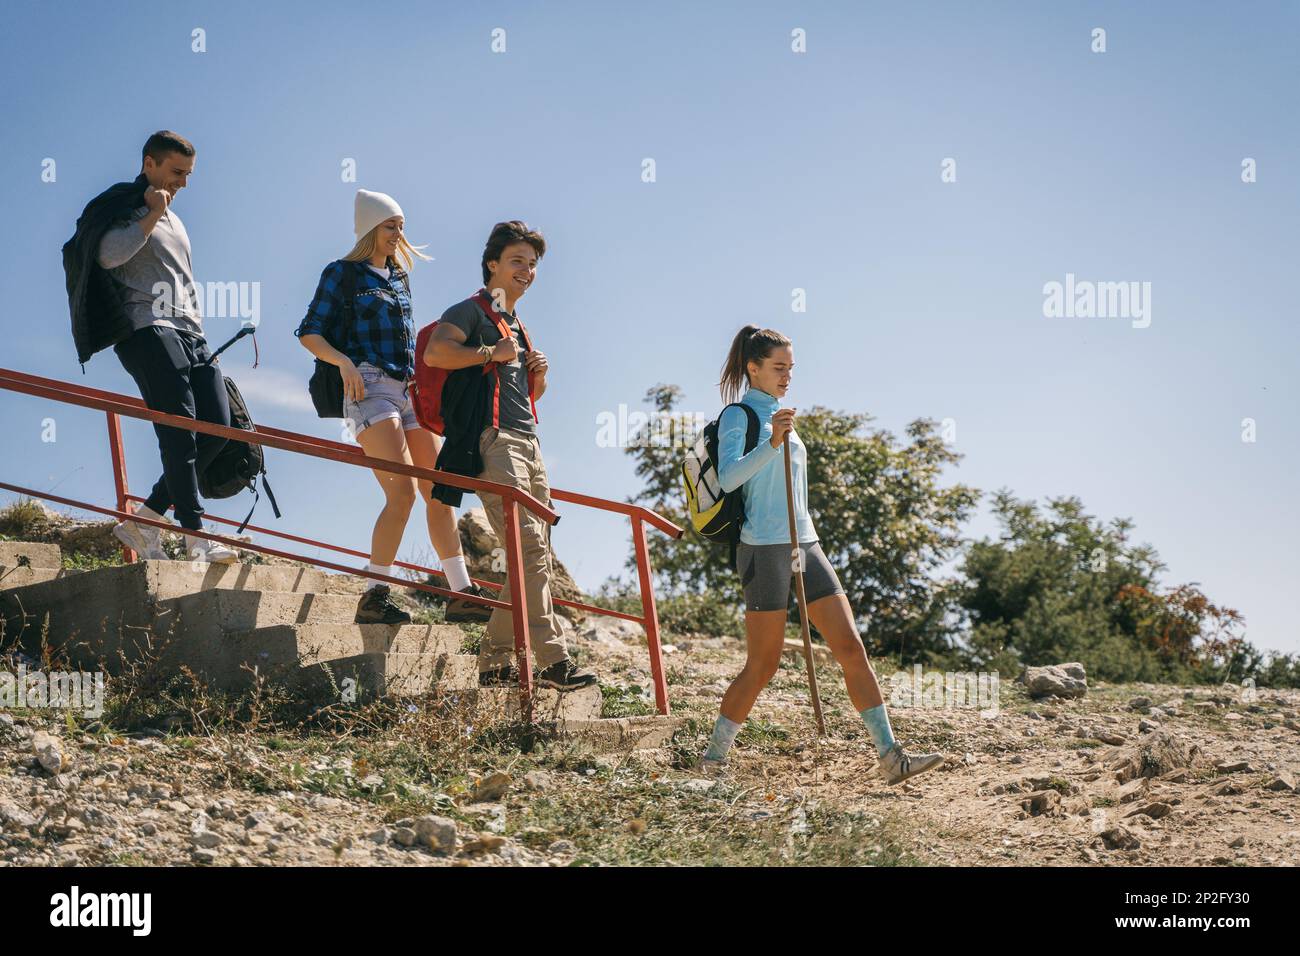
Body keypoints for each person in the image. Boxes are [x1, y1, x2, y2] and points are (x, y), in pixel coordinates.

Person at [698, 326, 945, 785]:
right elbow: (730, 478)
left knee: (851, 646)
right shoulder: (740, 416)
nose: (787, 376)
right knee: (763, 665)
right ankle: (713, 763)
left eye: (791, 368)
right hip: (763, 549)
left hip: (805, 544)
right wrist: (771, 441)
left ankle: (892, 758)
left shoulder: (783, 415)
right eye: (778, 367)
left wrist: (781, 437)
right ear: (754, 368)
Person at [295, 190, 492, 625]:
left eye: (401, 225)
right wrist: (343, 361)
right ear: (369, 228)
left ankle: (461, 594)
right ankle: (374, 596)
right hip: (367, 386)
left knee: (440, 490)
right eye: (390, 226)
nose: (398, 234)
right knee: (401, 492)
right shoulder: (342, 274)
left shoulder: (400, 277)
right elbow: (310, 331)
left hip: (408, 391)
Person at [422, 221, 596, 691]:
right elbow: (437, 354)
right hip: (493, 442)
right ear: (492, 264)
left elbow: (519, 391)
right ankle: (554, 660)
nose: (527, 270)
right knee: (530, 549)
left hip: (530, 443)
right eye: (517, 261)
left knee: (531, 556)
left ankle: (495, 662)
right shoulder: (471, 309)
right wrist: (489, 351)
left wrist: (537, 375)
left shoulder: (517, 324)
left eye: (533, 264)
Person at [91, 131, 237, 564]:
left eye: (188, 174)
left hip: (192, 333)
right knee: (180, 431)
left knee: (219, 427)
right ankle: (196, 538)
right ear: (149, 163)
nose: (183, 183)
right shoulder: (124, 206)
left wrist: (200, 328)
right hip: (147, 330)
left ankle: (145, 519)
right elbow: (107, 256)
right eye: (176, 172)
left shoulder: (176, 218)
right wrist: (151, 213)